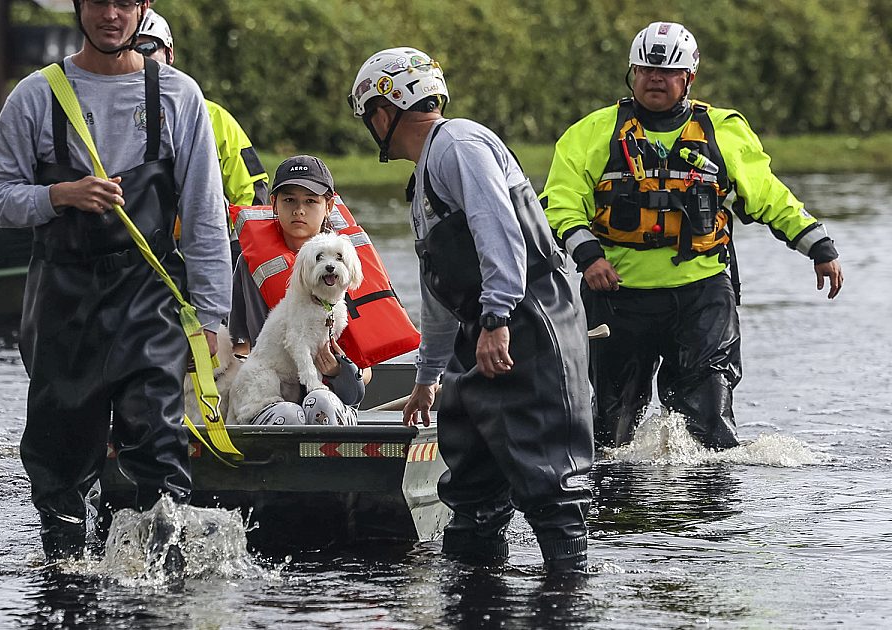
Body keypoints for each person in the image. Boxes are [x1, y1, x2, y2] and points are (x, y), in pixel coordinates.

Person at [0, 0, 230, 561]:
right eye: (97, 1)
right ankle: (67, 583)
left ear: (143, 9)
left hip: (149, 298)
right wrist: (59, 196)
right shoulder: (36, 95)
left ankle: (159, 592)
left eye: (124, 2)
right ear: (78, 7)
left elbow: (206, 217)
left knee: (162, 455)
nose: (110, 15)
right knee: (60, 466)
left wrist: (212, 320)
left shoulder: (178, 95)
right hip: (62, 302)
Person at [540, 22, 844, 450]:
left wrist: (817, 246)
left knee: (709, 426)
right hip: (617, 296)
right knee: (612, 428)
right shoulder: (591, 133)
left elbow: (768, 195)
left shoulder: (723, 130)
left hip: (702, 295)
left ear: (689, 78)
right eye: (645, 70)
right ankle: (616, 511)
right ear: (632, 73)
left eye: (666, 72)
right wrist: (589, 257)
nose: (655, 79)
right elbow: (560, 202)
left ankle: (709, 511)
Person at [349, 48, 594, 573]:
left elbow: (497, 229)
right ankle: (474, 600)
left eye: (370, 112)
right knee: (473, 495)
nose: (371, 125)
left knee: (549, 483)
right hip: (481, 331)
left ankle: (571, 599)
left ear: (386, 109)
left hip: (527, 319)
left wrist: (497, 317)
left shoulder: (458, 144)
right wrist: (427, 376)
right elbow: (438, 291)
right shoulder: (424, 179)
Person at [228, 155, 365, 426]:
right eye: (289, 200)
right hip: (275, 393)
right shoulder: (249, 262)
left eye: (310, 201)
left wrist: (338, 370)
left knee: (320, 402)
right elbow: (239, 345)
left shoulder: (348, 262)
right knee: (288, 414)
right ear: (274, 205)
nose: (299, 210)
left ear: (329, 206)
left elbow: (367, 368)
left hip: (333, 395)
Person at [135, 9, 269, 262]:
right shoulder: (104, 118)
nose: (138, 60)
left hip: (204, 251)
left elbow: (252, 194)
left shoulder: (214, 117)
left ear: (169, 53)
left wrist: (237, 254)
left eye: (147, 49)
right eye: (128, 51)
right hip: (133, 258)